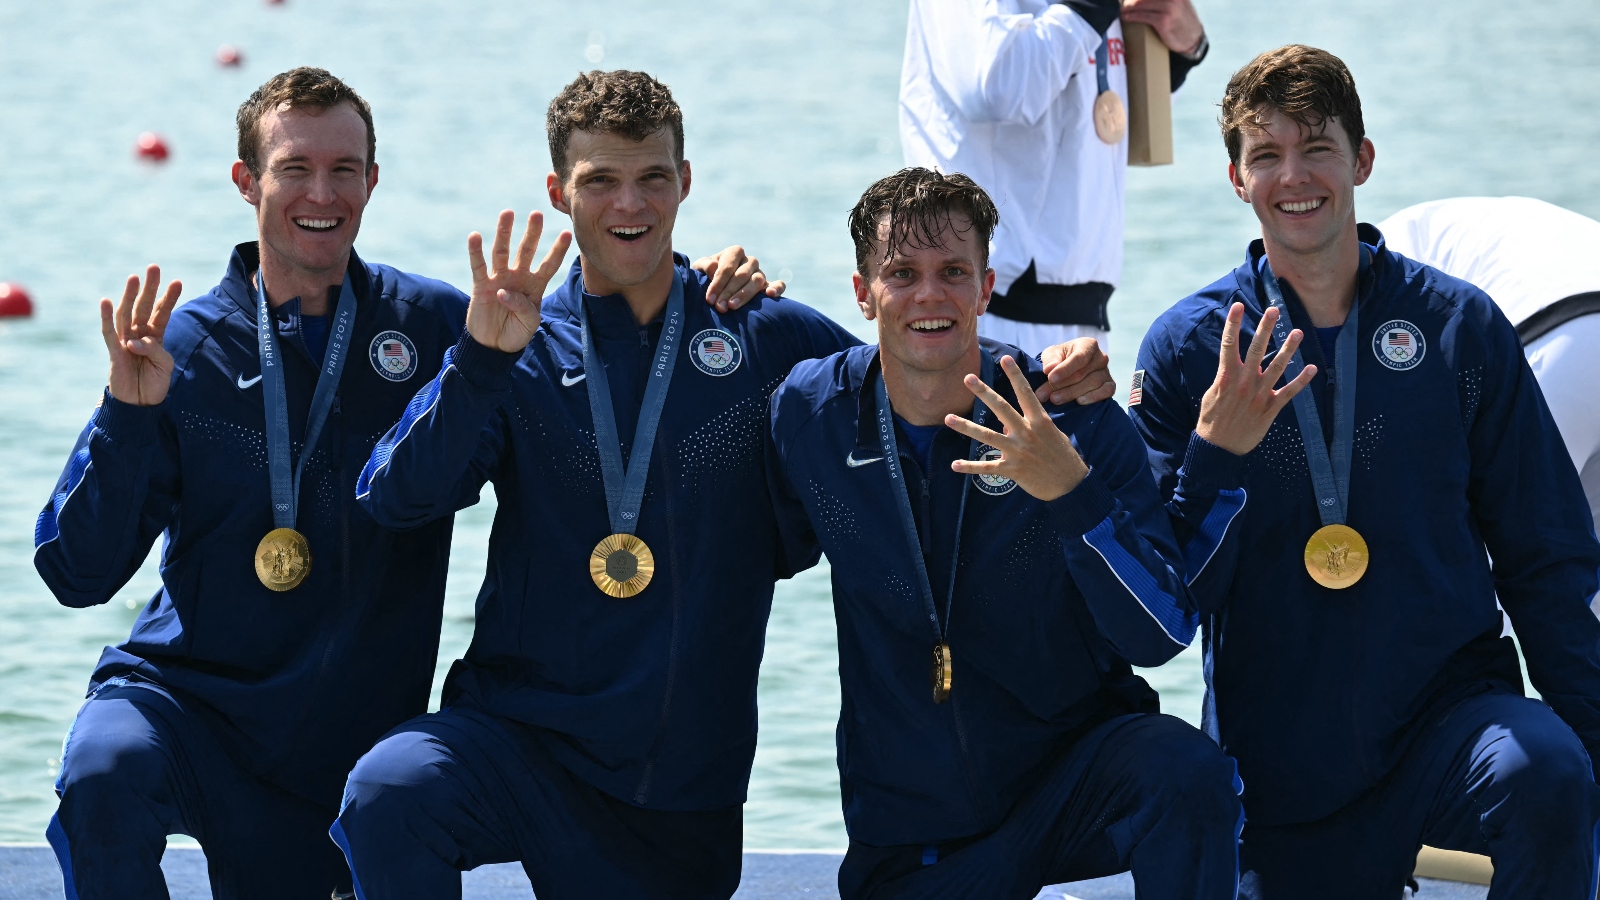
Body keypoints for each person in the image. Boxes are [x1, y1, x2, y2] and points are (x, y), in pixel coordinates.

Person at [333, 72, 1114, 899]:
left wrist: (1059, 373)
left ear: (686, 183)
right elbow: (393, 496)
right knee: (392, 791)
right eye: (600, 180)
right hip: (522, 741)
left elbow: (918, 371)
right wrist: (481, 362)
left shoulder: (761, 334)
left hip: (681, 788)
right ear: (560, 192)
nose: (628, 204)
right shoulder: (515, 345)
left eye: (652, 178)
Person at [31, 66, 779, 900]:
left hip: (335, 750)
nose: (323, 191)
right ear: (246, 182)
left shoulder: (436, 327)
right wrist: (125, 420)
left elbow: (589, 332)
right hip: (186, 708)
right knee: (103, 774)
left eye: (344, 169)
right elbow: (76, 573)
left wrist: (700, 281)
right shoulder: (181, 349)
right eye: (294, 168)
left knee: (384, 800)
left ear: (373, 182)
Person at [1127, 45, 1600, 898]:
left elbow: (1548, 564)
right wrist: (1215, 456)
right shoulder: (1191, 347)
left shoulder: (1459, 327)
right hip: (1274, 770)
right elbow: (1167, 609)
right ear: (1236, 178)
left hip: (1448, 732)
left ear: (1363, 160)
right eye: (1266, 154)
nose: (1293, 176)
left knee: (1549, 773)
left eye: (1317, 148)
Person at [764, 167, 1243, 899]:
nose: (931, 295)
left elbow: (1162, 636)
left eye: (954, 271)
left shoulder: (1070, 418)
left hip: (1068, 789)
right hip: (911, 834)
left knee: (1189, 774)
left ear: (986, 288)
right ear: (862, 294)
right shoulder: (810, 413)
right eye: (903, 273)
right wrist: (712, 276)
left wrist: (1072, 495)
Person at [899, 0, 1210, 355]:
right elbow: (998, 86)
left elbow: (1103, 120)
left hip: (1085, 312)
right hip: (988, 312)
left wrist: (1184, 50)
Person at [1379, 196, 1600, 534]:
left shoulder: (1376, 262)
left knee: (1513, 547)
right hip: (1568, 321)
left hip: (1559, 339)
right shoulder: (1442, 226)